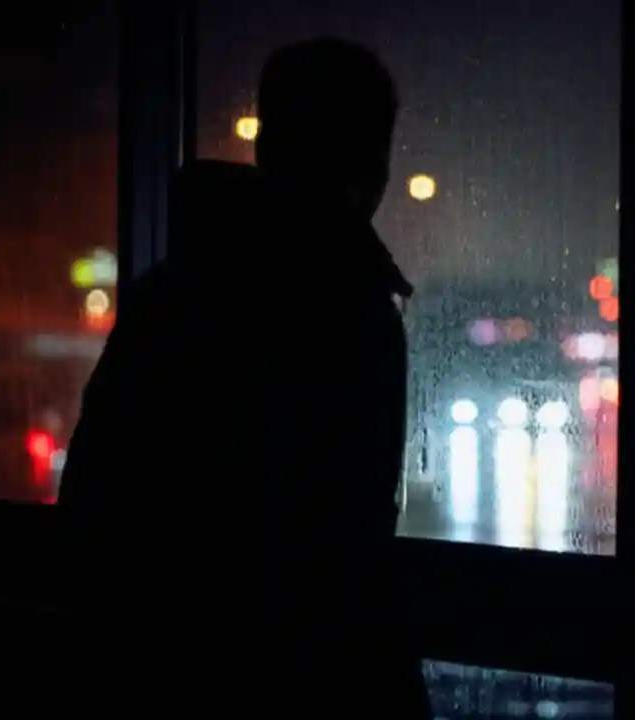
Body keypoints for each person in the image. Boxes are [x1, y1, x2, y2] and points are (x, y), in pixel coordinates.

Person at [59, 38, 427, 715]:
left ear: (266, 148)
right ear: (371, 166)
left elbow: (94, 504)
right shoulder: (349, 316)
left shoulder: (168, 299)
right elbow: (342, 560)